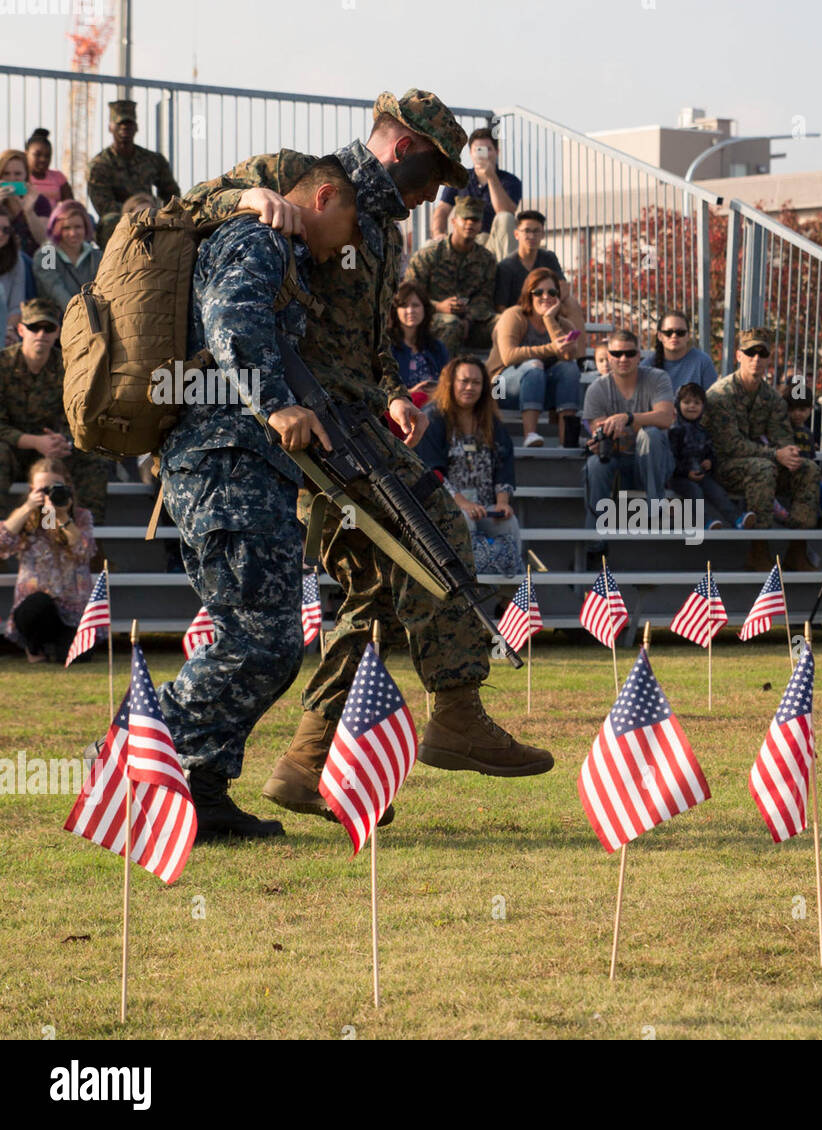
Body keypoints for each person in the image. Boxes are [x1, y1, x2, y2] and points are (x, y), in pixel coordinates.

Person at [183, 88, 552, 817]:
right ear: (403, 148)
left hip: (352, 417)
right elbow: (183, 213)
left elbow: (369, 339)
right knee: (432, 526)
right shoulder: (302, 179)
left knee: (372, 593)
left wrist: (389, 391)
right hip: (302, 426)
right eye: (431, 179)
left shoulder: (383, 230)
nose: (429, 199)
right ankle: (455, 711)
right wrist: (249, 199)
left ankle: (306, 765)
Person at [155, 156, 357, 840]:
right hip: (224, 461)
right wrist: (274, 405)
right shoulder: (259, 236)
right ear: (323, 196)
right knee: (259, 636)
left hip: (241, 465)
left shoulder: (284, 251)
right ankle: (139, 761)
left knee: (262, 636)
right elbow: (229, 317)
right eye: (350, 220)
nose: (349, 240)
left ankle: (197, 785)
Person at [705, 327, 821, 572]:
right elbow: (730, 445)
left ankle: (797, 550)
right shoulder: (720, 395)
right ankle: (758, 550)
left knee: (807, 468)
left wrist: (788, 453)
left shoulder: (773, 398)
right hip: (723, 468)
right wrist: (774, 454)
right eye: (750, 352)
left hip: (761, 465)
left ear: (769, 358)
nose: (756, 359)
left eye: (762, 353)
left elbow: (782, 435)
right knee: (764, 468)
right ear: (738, 355)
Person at [0, 297, 111, 522]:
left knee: (94, 457)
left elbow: (79, 418)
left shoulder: (67, 368)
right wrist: (34, 442)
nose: (41, 334)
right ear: (21, 329)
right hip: (12, 449)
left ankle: (88, 540)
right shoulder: (3, 364)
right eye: (34, 327)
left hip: (55, 449)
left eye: (48, 328)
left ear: (58, 332)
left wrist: (64, 442)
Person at [424, 355, 524, 576]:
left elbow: (504, 463)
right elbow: (432, 471)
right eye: (464, 381)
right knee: (464, 521)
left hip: (486, 506)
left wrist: (502, 502)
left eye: (476, 382)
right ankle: (463, 593)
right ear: (451, 383)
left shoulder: (491, 421)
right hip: (448, 506)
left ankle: (507, 600)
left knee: (509, 524)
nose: (470, 387)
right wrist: (462, 503)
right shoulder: (433, 418)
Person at [0, 458, 96, 663]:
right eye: (44, 490)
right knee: (35, 607)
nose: (49, 495)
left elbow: (84, 551)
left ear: (68, 488)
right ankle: (35, 649)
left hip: (72, 609)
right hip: (37, 605)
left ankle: (53, 648)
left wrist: (62, 517)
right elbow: (2, 543)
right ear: (32, 489)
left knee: (76, 657)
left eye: (56, 488)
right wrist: (28, 507)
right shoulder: (24, 518)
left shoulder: (81, 517)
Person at [582, 328, 674, 532]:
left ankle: (655, 512)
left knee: (650, 434)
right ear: (608, 356)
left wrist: (628, 418)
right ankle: (595, 542)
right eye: (616, 354)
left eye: (630, 353)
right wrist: (601, 442)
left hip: (654, 464)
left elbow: (666, 417)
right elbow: (600, 432)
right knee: (595, 465)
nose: (623, 358)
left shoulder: (657, 378)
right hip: (616, 463)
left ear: (639, 355)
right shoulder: (596, 389)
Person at [487, 266, 584, 448]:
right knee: (534, 365)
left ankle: (567, 439)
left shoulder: (564, 324)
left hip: (540, 388)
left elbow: (568, 355)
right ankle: (530, 435)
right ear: (528, 294)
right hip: (499, 388)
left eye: (552, 292)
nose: (546, 296)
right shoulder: (513, 316)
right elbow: (508, 356)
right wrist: (551, 348)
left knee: (569, 369)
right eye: (538, 292)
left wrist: (549, 320)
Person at [404, 196, 497, 352]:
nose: (469, 224)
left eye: (474, 220)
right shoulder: (429, 255)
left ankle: (499, 373)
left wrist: (469, 317)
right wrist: (439, 306)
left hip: (472, 321)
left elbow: (484, 297)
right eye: (465, 218)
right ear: (454, 221)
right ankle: (444, 374)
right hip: (432, 319)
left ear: (480, 225)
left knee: (504, 323)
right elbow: (410, 294)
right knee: (451, 324)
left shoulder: (486, 259)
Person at [86, 100, 181, 245]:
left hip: (150, 212)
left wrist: (159, 210)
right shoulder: (99, 165)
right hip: (119, 219)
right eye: (119, 124)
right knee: (109, 221)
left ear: (136, 128)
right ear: (110, 127)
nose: (124, 128)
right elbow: (103, 206)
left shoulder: (152, 159)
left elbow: (172, 193)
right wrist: (134, 212)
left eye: (129, 124)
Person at [669, 381, 755, 530]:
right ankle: (706, 522)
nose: (692, 406)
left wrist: (709, 462)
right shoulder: (675, 431)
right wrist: (686, 472)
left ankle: (737, 519)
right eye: (686, 402)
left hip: (700, 475)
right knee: (694, 491)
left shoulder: (703, 431)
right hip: (678, 477)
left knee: (716, 491)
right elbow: (670, 460)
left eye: (697, 403)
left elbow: (711, 452)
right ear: (678, 404)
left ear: (703, 406)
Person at [430, 127, 521, 260]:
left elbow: (506, 212)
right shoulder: (460, 177)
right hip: (463, 241)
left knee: (506, 218)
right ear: (471, 153)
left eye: (488, 149)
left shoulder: (510, 181)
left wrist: (491, 177)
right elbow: (442, 210)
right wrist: (439, 233)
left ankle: (506, 274)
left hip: (493, 243)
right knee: (430, 245)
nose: (483, 154)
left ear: (497, 152)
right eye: (478, 150)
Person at [783, 387, 822, 528]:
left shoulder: (808, 434)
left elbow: (810, 460)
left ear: (810, 410)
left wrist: (820, 478)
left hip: (806, 476)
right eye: (792, 409)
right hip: (789, 476)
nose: (797, 414)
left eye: (802, 410)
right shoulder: (784, 431)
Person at [33, 201, 100, 310]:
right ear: (56, 229)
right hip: (59, 318)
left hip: (92, 316)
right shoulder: (46, 253)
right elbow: (54, 289)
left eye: (78, 227)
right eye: (66, 228)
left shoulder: (96, 255)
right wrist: (78, 312)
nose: (73, 233)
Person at [493, 210, 565, 309]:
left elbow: (563, 287)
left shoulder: (549, 258)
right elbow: (501, 306)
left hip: (546, 309)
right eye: (527, 231)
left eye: (536, 231)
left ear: (543, 234)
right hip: (520, 315)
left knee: (571, 304)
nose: (532, 236)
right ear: (516, 234)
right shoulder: (506, 267)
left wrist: (550, 304)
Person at [389, 280, 449, 396]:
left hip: (434, 405)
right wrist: (411, 392)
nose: (410, 311)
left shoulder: (436, 347)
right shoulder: (387, 347)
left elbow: (448, 384)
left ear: (424, 309)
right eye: (404, 306)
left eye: (415, 305)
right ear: (395, 311)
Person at [0, 148, 53, 257]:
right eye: (6, 174)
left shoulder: (39, 201)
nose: (12, 179)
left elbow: (44, 241)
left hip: (32, 263)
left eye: (18, 174)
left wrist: (29, 211)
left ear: (26, 176)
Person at [653, 310, 718, 393]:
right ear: (660, 336)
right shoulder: (648, 366)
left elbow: (712, 399)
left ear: (688, 336)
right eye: (668, 332)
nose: (674, 336)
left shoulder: (702, 362)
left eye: (680, 332)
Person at [24, 129, 73, 208]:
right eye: (38, 155)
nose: (43, 159)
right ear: (26, 154)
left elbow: (71, 205)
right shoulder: (20, 177)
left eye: (47, 156)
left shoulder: (58, 177)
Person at [0, 209, 24, 346]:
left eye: (6, 230)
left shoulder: (17, 260)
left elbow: (16, 305)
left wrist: (9, 330)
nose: (1, 234)